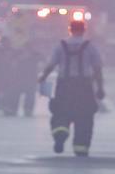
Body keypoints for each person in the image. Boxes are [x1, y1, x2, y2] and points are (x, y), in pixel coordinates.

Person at [38, 19, 105, 157]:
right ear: (84, 30)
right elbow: (97, 68)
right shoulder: (90, 47)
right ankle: (81, 148)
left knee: (61, 113)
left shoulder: (60, 46)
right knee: (85, 117)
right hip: (84, 86)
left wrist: (43, 78)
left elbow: (51, 65)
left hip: (64, 85)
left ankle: (60, 134)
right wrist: (100, 88)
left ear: (70, 29)